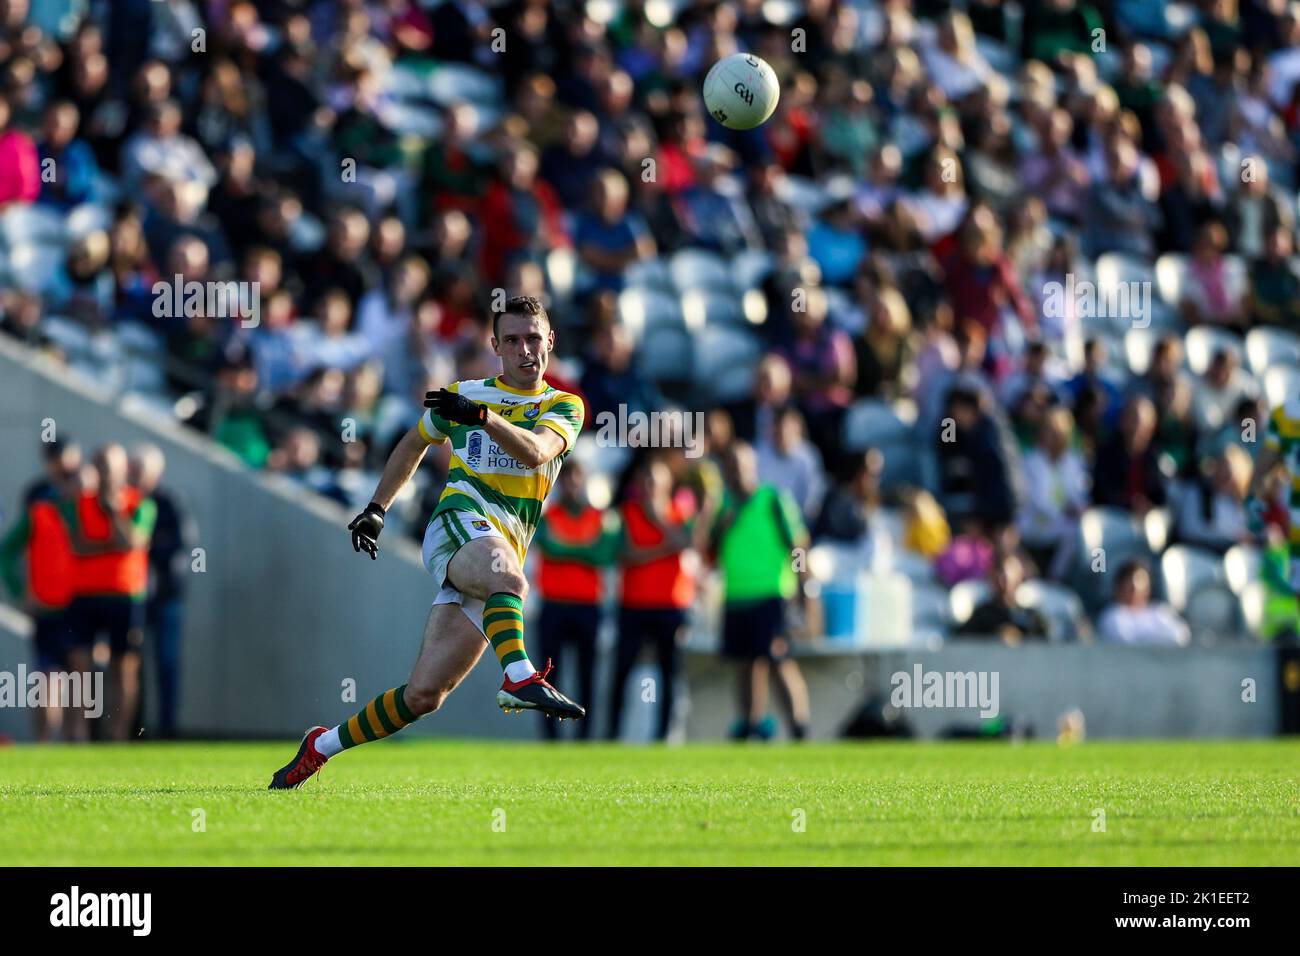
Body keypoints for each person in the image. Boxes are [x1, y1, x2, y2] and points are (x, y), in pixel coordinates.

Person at [269, 296, 586, 788]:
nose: (525, 350)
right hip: (458, 525)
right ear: (495, 346)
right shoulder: (466, 394)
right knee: (509, 575)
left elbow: (536, 452)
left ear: (551, 341)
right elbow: (416, 440)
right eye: (512, 340)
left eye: (533, 339)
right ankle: (520, 676)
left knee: (423, 696)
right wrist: (377, 508)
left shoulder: (563, 405)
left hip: (497, 550)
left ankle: (321, 745)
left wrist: (481, 418)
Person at [708, 442, 812, 741]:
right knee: (745, 662)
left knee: (778, 659)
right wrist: (718, 523)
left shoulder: (773, 499)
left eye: (741, 466)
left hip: (772, 593)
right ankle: (751, 725)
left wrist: (805, 588)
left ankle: (799, 728)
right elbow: (709, 550)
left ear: (753, 468)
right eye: (731, 467)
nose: (736, 473)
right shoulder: (724, 506)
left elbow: (797, 546)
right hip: (737, 595)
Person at [66, 445, 157, 741]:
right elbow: (77, 546)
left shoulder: (139, 504)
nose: (105, 474)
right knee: (81, 665)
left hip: (125, 594)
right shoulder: (80, 502)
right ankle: (79, 734)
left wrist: (113, 511)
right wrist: (111, 547)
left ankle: (118, 735)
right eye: (100, 466)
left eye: (110, 467)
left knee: (124, 666)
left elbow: (132, 541)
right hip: (86, 593)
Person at [607, 456, 697, 742]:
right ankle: (611, 734)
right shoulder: (626, 513)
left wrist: (656, 520)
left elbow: (686, 543)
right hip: (633, 604)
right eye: (645, 481)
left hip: (671, 604)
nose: (649, 486)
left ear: (667, 485)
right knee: (622, 670)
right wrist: (662, 549)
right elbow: (624, 555)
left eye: (655, 481)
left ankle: (664, 735)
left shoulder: (678, 512)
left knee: (670, 672)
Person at [533, 459, 620, 741]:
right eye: (567, 479)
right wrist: (584, 549)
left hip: (587, 606)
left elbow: (604, 556)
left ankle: (584, 736)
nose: (572, 484)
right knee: (547, 678)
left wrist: (566, 549)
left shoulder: (600, 517)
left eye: (576, 478)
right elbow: (549, 546)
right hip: (554, 606)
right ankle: (551, 739)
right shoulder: (547, 516)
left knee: (587, 676)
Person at [0, 464, 81, 741]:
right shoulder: (41, 514)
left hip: (81, 609)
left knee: (82, 679)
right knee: (49, 679)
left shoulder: (91, 516)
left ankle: (77, 741)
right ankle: (44, 744)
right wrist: (20, 591)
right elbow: (6, 551)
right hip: (47, 610)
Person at [130, 444, 189, 739]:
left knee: (166, 664)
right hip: (135, 596)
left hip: (165, 596)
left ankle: (168, 730)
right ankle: (134, 729)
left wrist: (147, 546)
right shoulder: (126, 501)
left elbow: (178, 545)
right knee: (132, 666)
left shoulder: (168, 502)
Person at [956, 550, 1049, 643]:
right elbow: (962, 641)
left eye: (1010, 573)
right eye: (999, 573)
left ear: (1020, 576)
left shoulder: (1032, 616)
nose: (1003, 580)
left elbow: (1046, 645)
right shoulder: (982, 615)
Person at [1097, 559, 1191, 646]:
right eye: (1130, 587)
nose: (1136, 589)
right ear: (1118, 587)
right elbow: (1125, 643)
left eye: (1141, 583)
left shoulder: (1160, 611)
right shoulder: (1111, 616)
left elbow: (1180, 637)